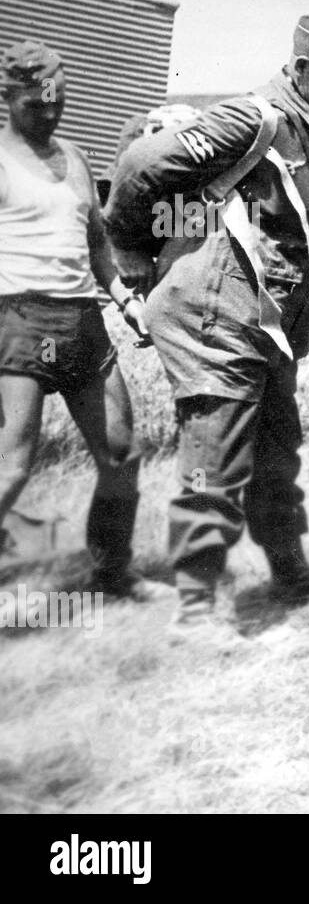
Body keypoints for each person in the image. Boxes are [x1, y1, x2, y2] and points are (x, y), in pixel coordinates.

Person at [105, 14, 309, 641]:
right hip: (216, 320)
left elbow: (301, 232)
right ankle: (195, 609)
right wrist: (135, 257)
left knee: (277, 453)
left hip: (266, 325)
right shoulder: (253, 120)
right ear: (301, 69)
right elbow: (143, 168)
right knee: (213, 463)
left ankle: (290, 574)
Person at [0, 41, 158, 598]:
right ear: (8, 99)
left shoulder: (76, 158)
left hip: (82, 321)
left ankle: (113, 573)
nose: (49, 114)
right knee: (14, 466)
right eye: (35, 105)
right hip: (17, 322)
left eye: (57, 102)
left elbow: (96, 247)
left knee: (121, 453)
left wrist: (125, 298)